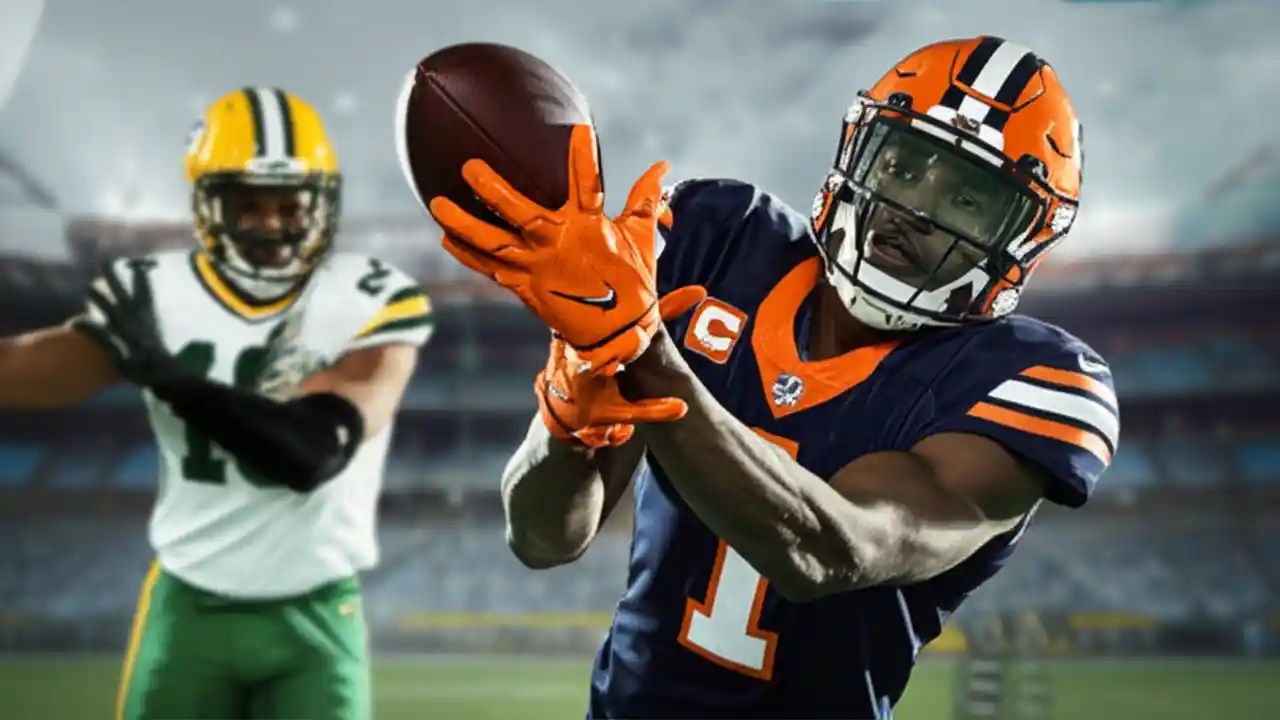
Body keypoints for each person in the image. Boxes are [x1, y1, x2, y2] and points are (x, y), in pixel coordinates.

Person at [428, 35, 1116, 718]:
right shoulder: (716, 240)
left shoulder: (1034, 378)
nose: (915, 209)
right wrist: (568, 411)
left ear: (1023, 237)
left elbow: (830, 550)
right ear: (856, 149)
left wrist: (641, 352)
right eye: (905, 167)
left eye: (967, 200)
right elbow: (546, 538)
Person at [0, 87, 433, 720]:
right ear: (208, 204)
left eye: (289, 203)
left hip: (313, 614)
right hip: (188, 608)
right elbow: (20, 370)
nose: (270, 224)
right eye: (247, 204)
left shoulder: (372, 299)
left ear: (322, 201)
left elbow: (312, 452)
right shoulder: (157, 291)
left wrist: (166, 375)